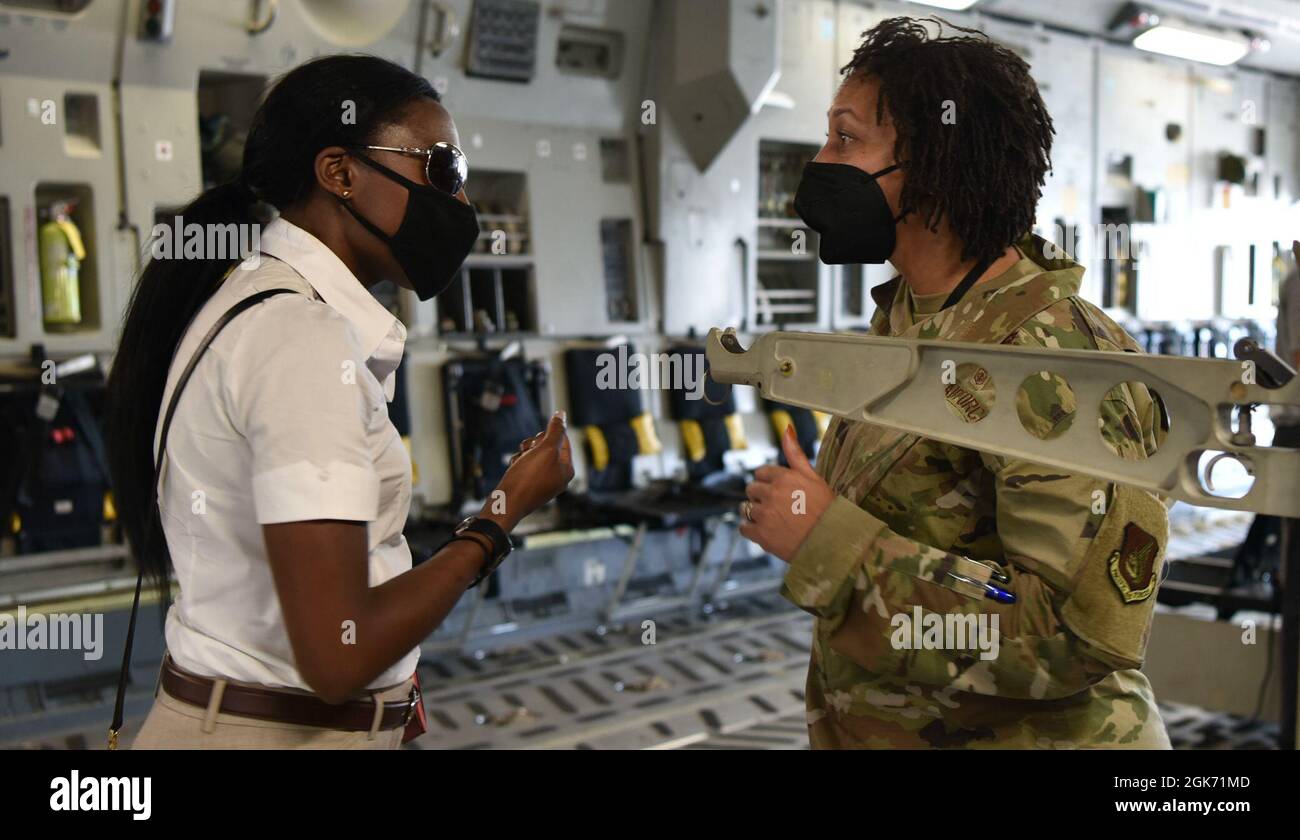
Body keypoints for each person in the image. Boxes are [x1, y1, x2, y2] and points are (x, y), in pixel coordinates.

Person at [105, 55, 573, 749]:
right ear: (341, 172)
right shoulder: (299, 338)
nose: (461, 205)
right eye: (443, 171)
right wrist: (496, 521)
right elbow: (338, 654)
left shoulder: (263, 307)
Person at [737, 17, 1172, 749]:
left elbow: (1071, 634)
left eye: (846, 139)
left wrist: (828, 541)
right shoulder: (914, 318)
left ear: (933, 167)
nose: (822, 160)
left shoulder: (1052, 356)